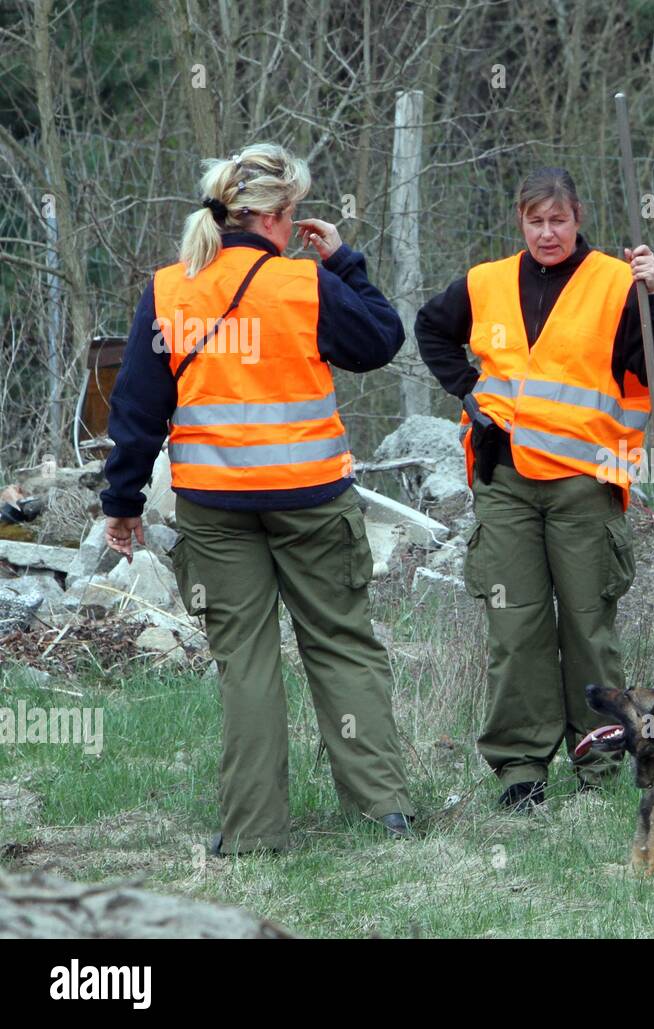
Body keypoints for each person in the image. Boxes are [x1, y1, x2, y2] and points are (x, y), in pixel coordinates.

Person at [101, 143, 415, 855]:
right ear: (277, 215)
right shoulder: (306, 285)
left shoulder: (171, 289)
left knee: (244, 662)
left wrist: (121, 500)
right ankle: (383, 810)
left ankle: (252, 831)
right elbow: (381, 339)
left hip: (214, 506)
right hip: (311, 499)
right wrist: (344, 261)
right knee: (340, 644)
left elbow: (138, 408)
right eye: (294, 212)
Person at [416, 167, 654, 812]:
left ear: (577, 219)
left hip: (584, 487)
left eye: (558, 221)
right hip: (505, 483)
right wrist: (466, 389)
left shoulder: (617, 282)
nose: (547, 233)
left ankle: (598, 767)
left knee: (589, 630)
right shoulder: (485, 283)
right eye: (535, 221)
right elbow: (431, 328)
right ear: (521, 221)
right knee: (516, 631)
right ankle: (520, 772)